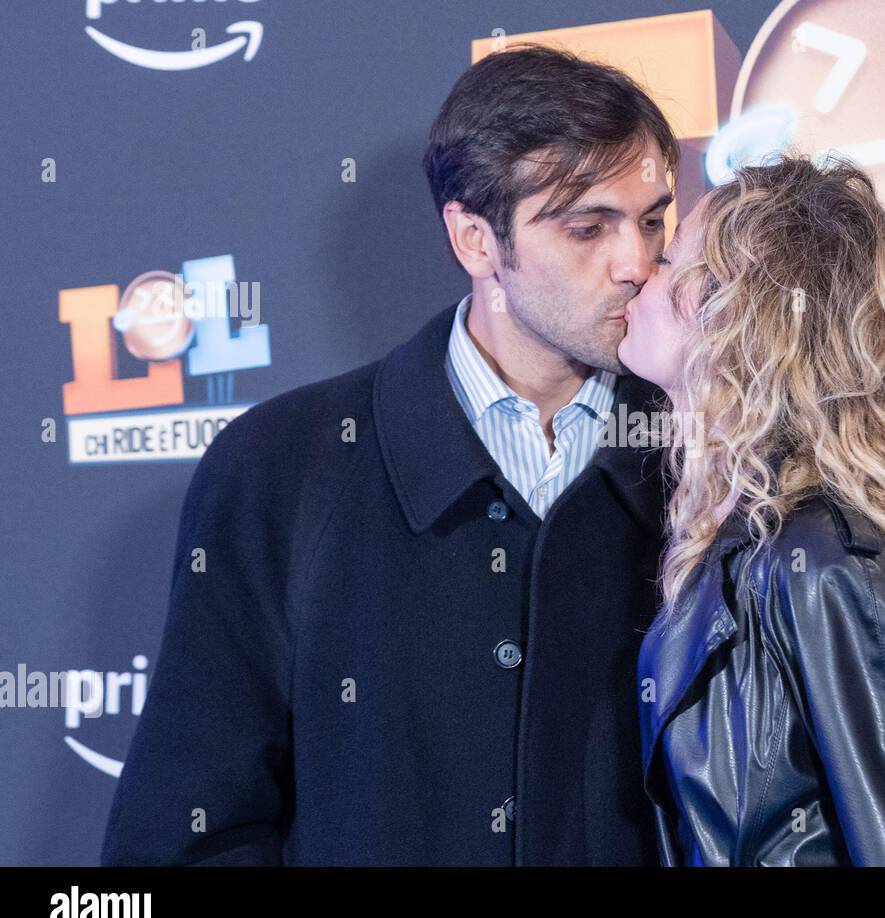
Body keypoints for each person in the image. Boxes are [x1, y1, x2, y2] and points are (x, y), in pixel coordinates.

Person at [101, 43, 677, 865]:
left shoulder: (715, 461)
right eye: (588, 227)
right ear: (476, 241)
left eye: (653, 220)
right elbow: (182, 837)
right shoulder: (280, 468)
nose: (637, 265)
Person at [619, 152, 885, 866]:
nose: (638, 275)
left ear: (737, 316)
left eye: (672, 257)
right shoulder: (747, 552)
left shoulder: (827, 568)